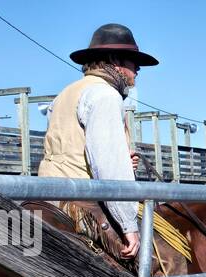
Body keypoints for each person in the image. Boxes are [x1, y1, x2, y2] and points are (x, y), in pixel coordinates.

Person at [38, 23, 157, 260]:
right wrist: (128, 226)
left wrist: (123, 159)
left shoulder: (67, 92)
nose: (138, 69)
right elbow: (106, 165)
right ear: (116, 60)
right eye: (133, 61)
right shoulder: (105, 95)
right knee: (155, 259)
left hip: (47, 193)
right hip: (78, 202)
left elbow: (74, 146)